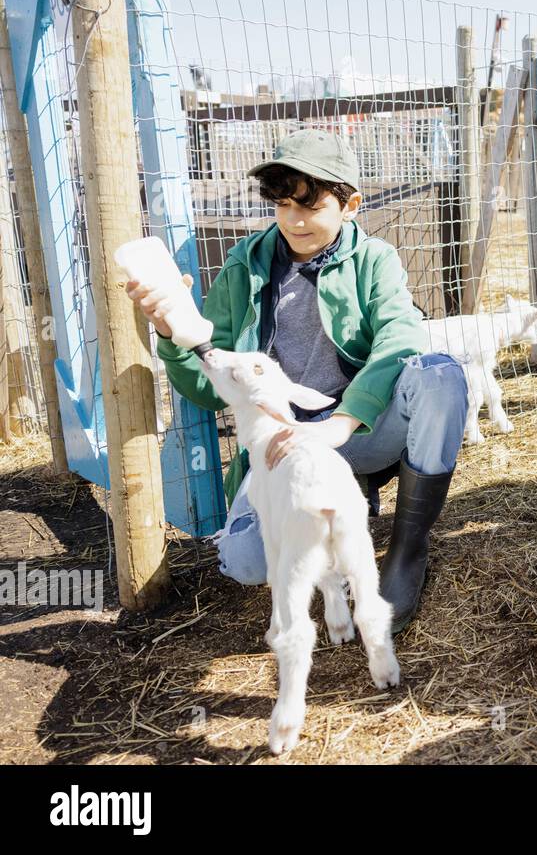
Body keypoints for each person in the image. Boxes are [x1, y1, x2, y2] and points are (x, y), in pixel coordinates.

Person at [126, 129, 470, 632]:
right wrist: (172, 333)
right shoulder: (245, 265)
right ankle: (336, 506)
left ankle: (407, 550)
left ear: (350, 204)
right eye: (283, 205)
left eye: (310, 206)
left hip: (360, 430)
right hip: (283, 443)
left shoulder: (375, 260)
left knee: (440, 375)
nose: (294, 220)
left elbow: (402, 336)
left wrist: (343, 421)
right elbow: (206, 386)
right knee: (245, 562)